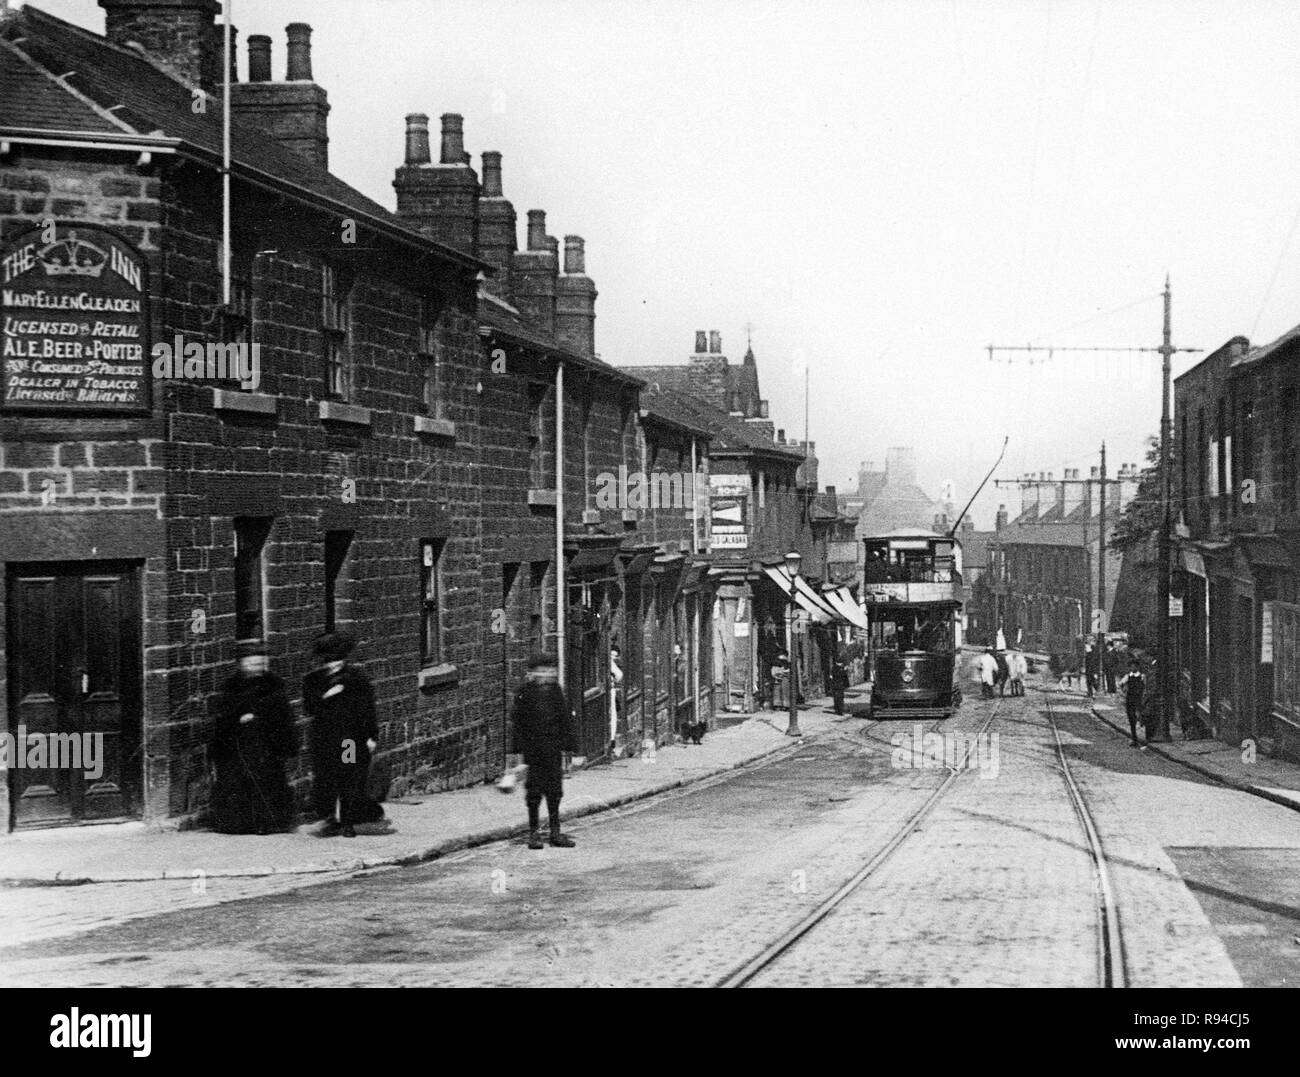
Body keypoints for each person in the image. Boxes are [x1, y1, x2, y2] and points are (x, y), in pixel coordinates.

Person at [210, 639, 296, 834]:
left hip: (266, 742)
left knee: (267, 782)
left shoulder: (273, 684)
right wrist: (238, 718)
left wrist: (264, 720)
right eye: (251, 664)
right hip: (239, 743)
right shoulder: (232, 686)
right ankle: (239, 823)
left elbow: (284, 714)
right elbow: (222, 715)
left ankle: (266, 823)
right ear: (241, 664)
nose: (255, 668)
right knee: (238, 782)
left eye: (259, 664)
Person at [304, 631, 381, 837]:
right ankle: (330, 817)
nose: (334, 665)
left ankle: (347, 821)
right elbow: (310, 707)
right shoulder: (313, 681)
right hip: (324, 738)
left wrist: (371, 736)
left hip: (349, 739)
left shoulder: (356, 680)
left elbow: (367, 709)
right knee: (326, 777)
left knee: (349, 776)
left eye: (338, 660)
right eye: (329, 661)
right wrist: (328, 695)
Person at [511, 653, 577, 849]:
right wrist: (516, 752)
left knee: (555, 791)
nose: (547, 675)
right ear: (533, 673)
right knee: (534, 792)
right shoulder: (525, 693)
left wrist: (569, 745)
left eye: (550, 671)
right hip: (533, 750)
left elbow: (564, 718)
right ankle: (534, 834)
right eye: (543, 671)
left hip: (553, 749)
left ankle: (555, 833)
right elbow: (517, 723)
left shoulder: (555, 691)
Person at [1119, 658, 1146, 748]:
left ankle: (1144, 736)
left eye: (1135, 666)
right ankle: (1134, 738)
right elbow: (1121, 683)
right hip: (1130, 699)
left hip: (1139, 699)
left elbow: (1145, 686)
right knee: (1131, 719)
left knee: (1140, 717)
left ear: (1138, 667)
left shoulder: (1142, 676)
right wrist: (1124, 690)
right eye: (1131, 667)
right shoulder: (1128, 676)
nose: (1133, 668)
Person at [608, 644, 624, 750]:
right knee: (612, 714)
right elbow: (619, 675)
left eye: (615, 655)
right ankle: (611, 739)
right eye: (612, 654)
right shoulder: (609, 662)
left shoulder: (610, 662)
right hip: (610, 689)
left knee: (613, 714)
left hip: (610, 689)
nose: (613, 657)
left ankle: (612, 739)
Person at [830, 645, 849, 715]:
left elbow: (831, 677)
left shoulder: (833, 669)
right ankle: (840, 710)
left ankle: (837, 709)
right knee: (840, 698)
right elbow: (845, 678)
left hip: (835, 686)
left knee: (836, 698)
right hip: (840, 686)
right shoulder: (842, 669)